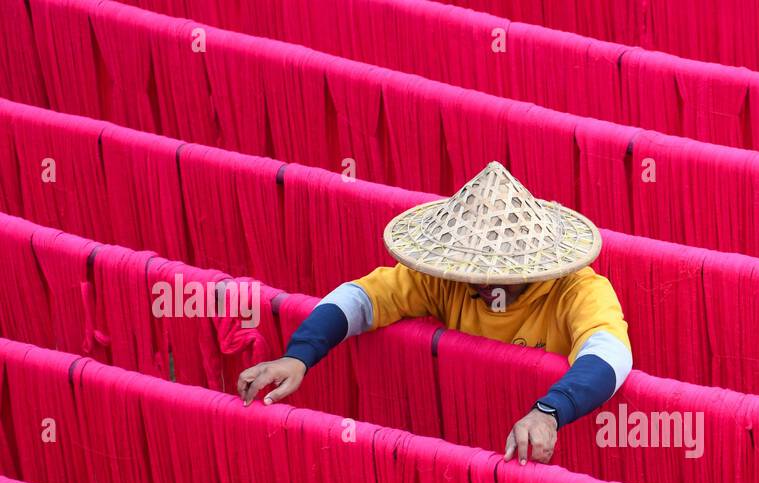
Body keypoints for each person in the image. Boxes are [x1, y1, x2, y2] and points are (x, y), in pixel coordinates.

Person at [236, 162, 632, 465]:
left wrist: (550, 411)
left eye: (498, 272)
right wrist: (299, 354)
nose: (480, 280)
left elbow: (609, 353)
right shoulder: (449, 276)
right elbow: (363, 298)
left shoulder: (578, 290)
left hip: (548, 449)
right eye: (473, 270)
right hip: (459, 442)